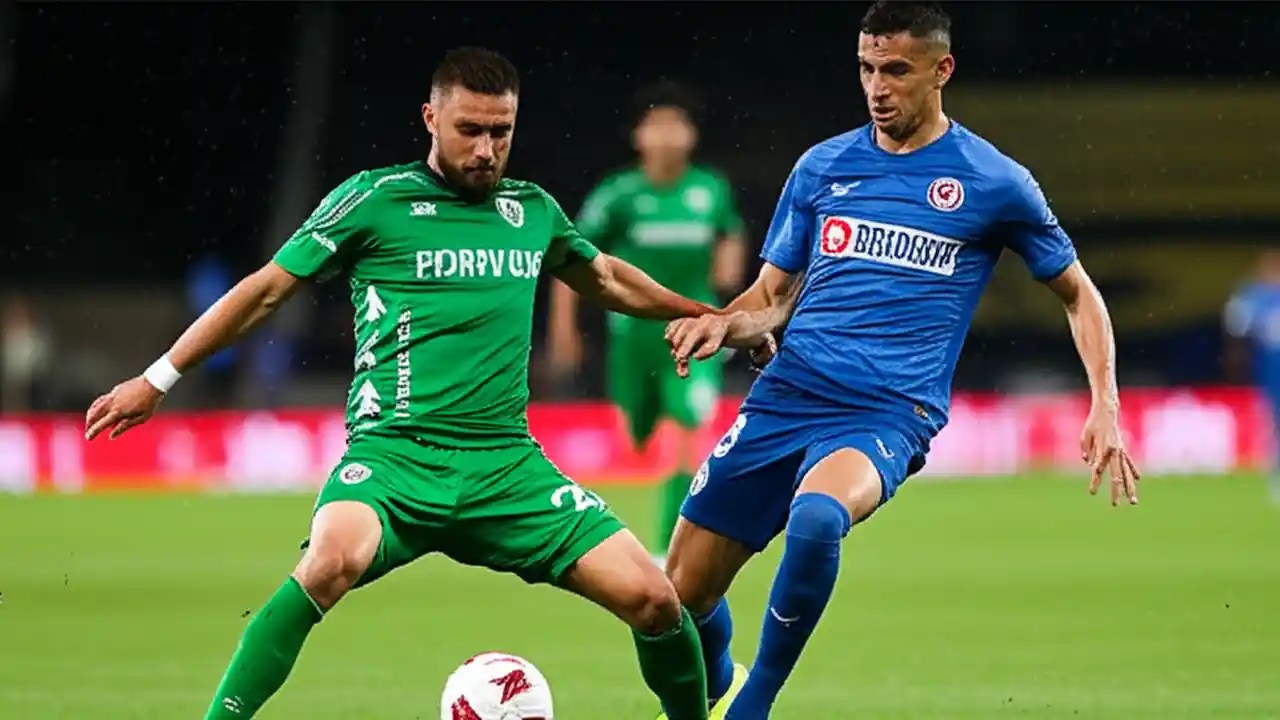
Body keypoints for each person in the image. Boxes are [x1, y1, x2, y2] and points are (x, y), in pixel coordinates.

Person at [84, 47, 718, 720]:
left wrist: (711, 316)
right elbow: (267, 291)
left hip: (507, 467)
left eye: (500, 131)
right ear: (430, 118)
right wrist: (158, 379)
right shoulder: (373, 201)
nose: (486, 149)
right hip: (393, 459)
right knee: (328, 563)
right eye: (469, 129)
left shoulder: (531, 211)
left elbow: (610, 279)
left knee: (655, 599)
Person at [658, 4, 1142, 718]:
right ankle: (719, 661)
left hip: (887, 410)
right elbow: (771, 298)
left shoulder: (994, 180)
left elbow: (1080, 295)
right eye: (866, 69)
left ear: (941, 71)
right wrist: (720, 325)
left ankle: (754, 701)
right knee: (678, 599)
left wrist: (1105, 403)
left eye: (895, 70)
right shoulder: (822, 166)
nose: (877, 87)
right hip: (785, 396)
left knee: (819, 519)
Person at [548, 81, 747, 561]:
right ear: (638, 136)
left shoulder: (709, 189)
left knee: (686, 429)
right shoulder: (618, 195)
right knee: (635, 436)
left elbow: (731, 231)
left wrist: (729, 273)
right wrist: (563, 329)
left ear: (691, 136)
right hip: (632, 335)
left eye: (676, 125)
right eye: (656, 126)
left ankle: (667, 546)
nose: (666, 136)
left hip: (692, 329)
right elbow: (568, 258)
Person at [1223, 248, 1280, 502]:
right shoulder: (1255, 296)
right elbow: (1235, 327)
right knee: (1272, 421)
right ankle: (1275, 477)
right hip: (1270, 370)